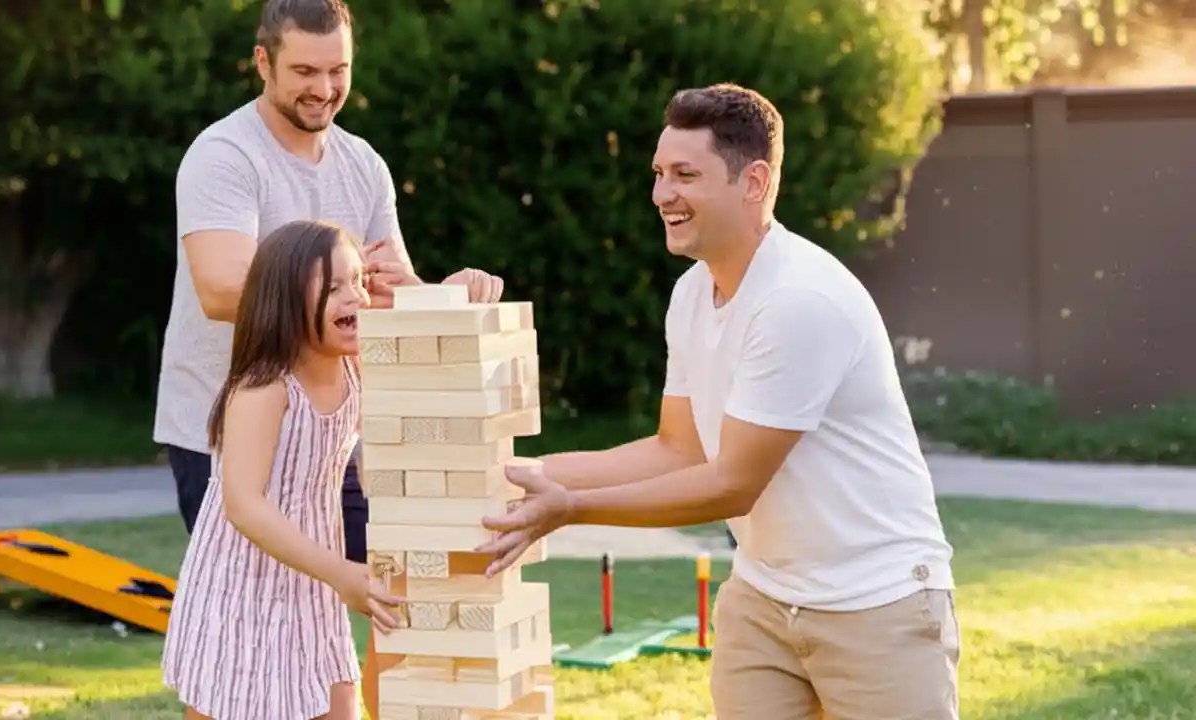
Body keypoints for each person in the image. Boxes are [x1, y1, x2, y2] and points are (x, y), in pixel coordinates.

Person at [475, 83, 961, 719]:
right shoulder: (693, 295)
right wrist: (521, 476)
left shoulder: (798, 301)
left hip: (877, 604)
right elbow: (679, 448)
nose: (661, 194)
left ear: (753, 181)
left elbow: (732, 484)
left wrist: (571, 509)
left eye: (684, 174)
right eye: (658, 173)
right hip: (763, 599)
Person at [152, 1, 501, 714]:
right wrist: (339, 288)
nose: (323, 87)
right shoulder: (225, 155)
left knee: (375, 601)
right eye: (304, 71)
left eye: (337, 70)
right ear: (262, 62)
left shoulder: (362, 164)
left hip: (335, 434)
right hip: (227, 433)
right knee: (255, 622)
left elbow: (390, 297)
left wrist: (447, 293)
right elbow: (222, 287)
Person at [160, 219, 405, 720]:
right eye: (334, 287)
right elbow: (243, 505)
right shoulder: (264, 388)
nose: (356, 296)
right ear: (286, 301)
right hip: (241, 589)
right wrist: (341, 573)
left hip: (309, 584)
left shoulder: (353, 369)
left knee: (337, 705)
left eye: (359, 280)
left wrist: (462, 295)